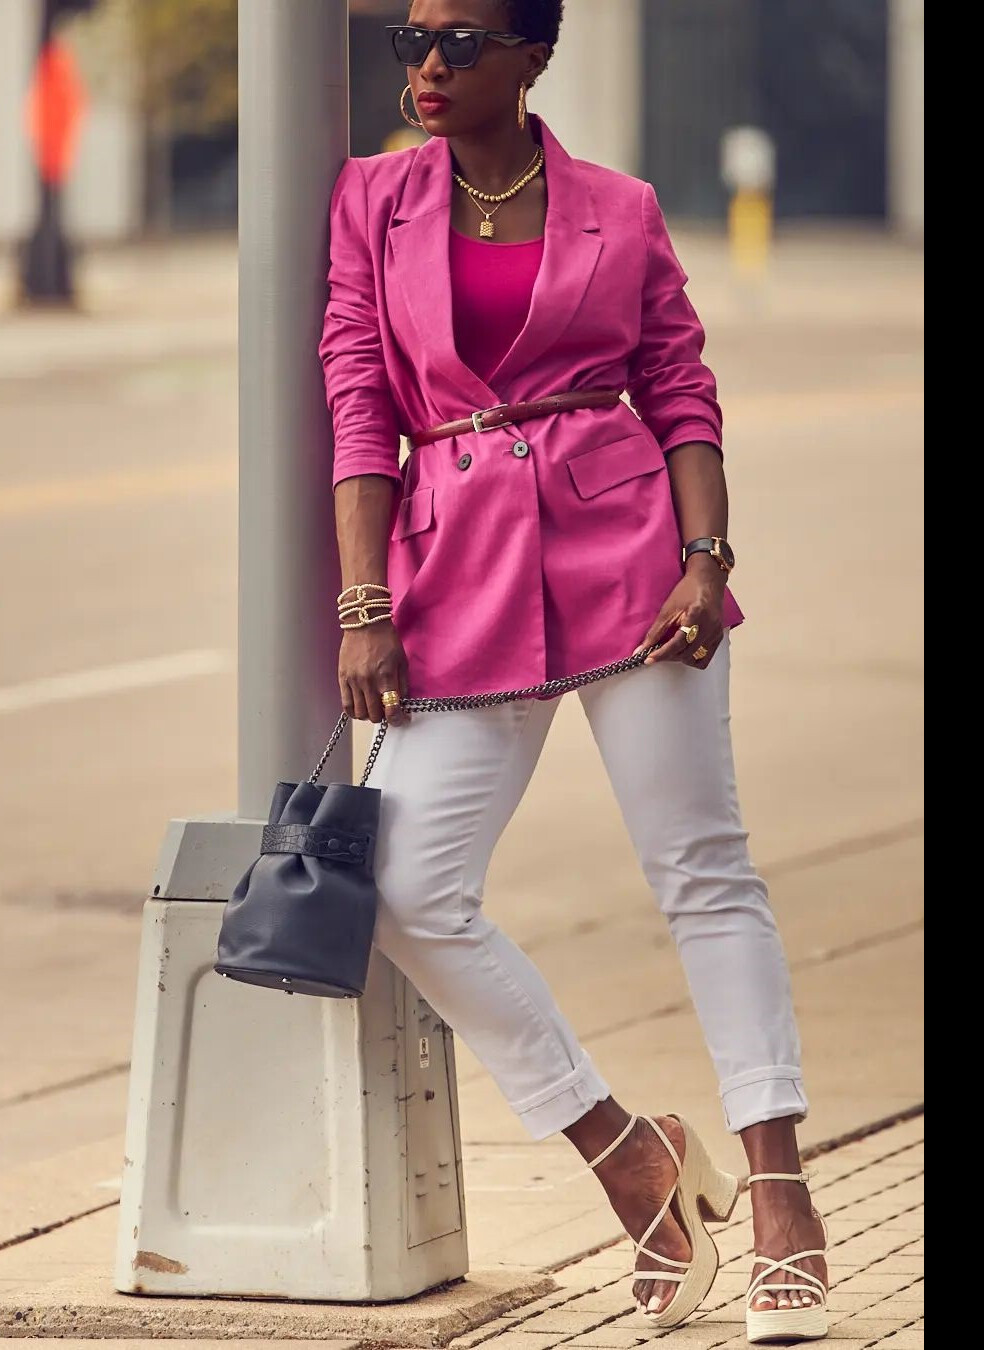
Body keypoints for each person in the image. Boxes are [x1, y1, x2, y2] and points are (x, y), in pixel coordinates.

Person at [318, 2, 828, 1341]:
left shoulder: (621, 206)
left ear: (535, 55)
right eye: (410, 42)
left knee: (702, 867)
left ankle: (779, 1189)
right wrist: (364, 598)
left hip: (632, 565)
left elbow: (679, 387)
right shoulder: (371, 201)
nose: (428, 66)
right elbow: (360, 393)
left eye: (461, 42)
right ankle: (631, 1159)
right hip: (459, 583)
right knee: (402, 885)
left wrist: (706, 558)